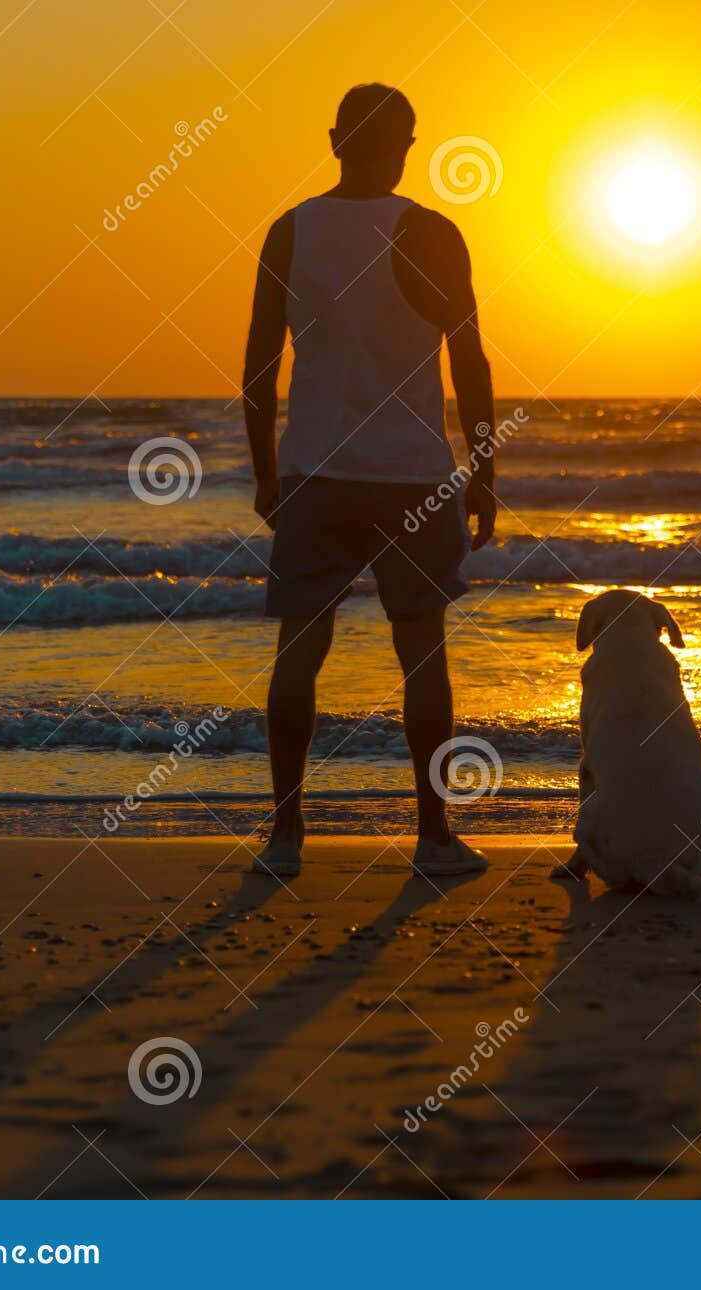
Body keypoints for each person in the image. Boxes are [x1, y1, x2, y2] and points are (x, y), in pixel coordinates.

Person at [241, 83, 497, 879]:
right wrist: (485, 471)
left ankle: (286, 839)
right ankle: (433, 838)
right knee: (422, 654)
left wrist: (266, 472)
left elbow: (258, 368)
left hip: (316, 468)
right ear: (406, 147)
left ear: (333, 139)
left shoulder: (290, 231)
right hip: (412, 473)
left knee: (300, 648)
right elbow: (470, 359)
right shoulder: (434, 231)